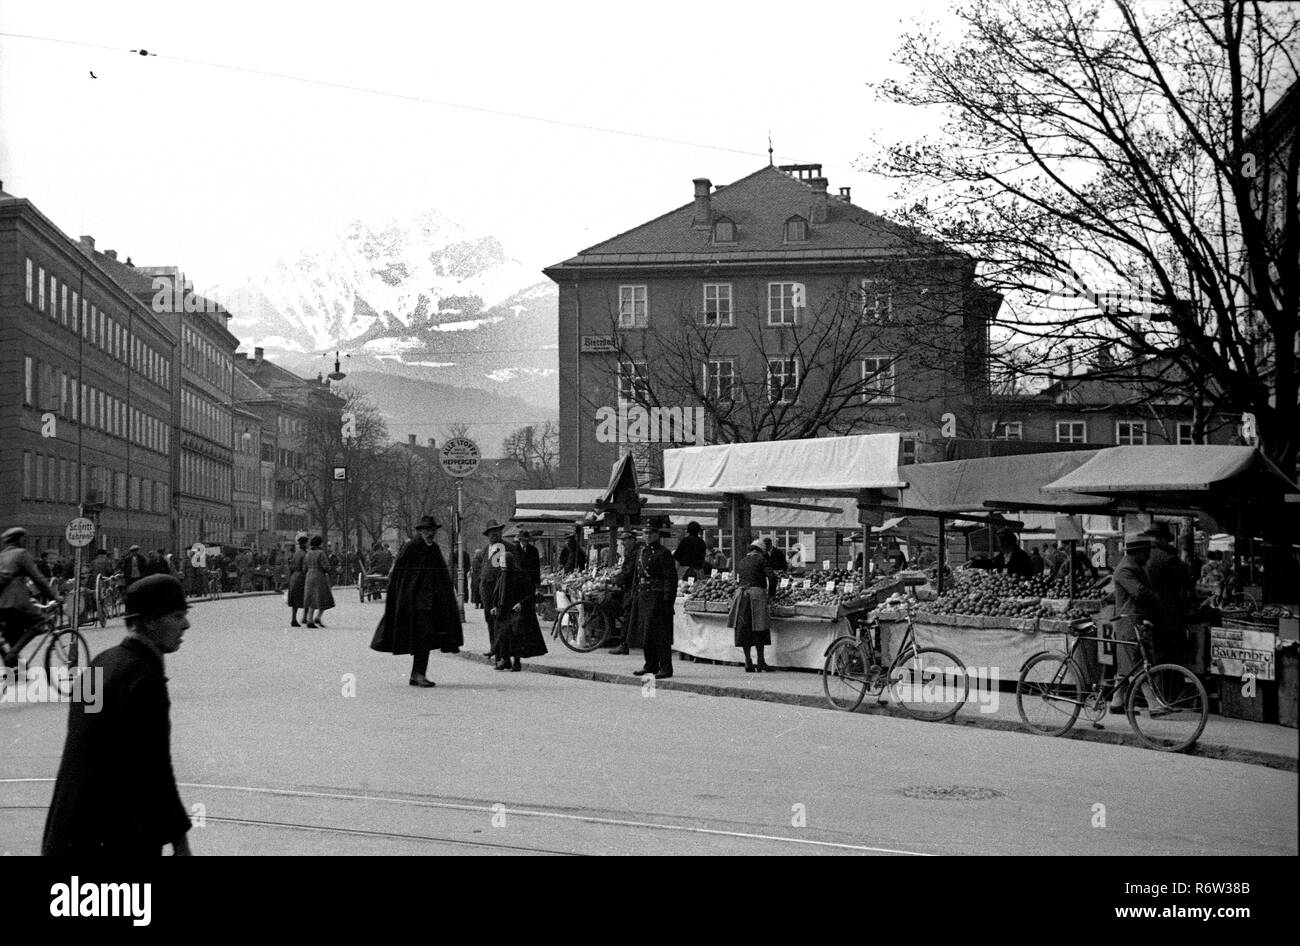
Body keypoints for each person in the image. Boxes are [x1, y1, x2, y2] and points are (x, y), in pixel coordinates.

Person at [42, 574, 194, 856]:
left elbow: (79, 746)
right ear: (150, 621)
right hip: (113, 837)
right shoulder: (144, 679)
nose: (186, 624)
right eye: (177, 616)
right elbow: (155, 768)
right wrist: (180, 842)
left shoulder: (100, 663)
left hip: (67, 830)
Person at [370, 516, 463, 687]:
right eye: (427, 530)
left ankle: (417, 674)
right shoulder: (412, 547)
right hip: (414, 601)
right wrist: (403, 596)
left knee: (424, 637)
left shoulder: (433, 548)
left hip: (430, 602)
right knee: (422, 636)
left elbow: (441, 573)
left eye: (433, 530)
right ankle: (418, 674)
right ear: (420, 531)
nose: (430, 533)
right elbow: (399, 573)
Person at [1108, 536, 1166, 714]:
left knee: (1127, 663)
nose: (1148, 556)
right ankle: (1153, 704)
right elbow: (1139, 593)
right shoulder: (1126, 569)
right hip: (1129, 622)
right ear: (1137, 553)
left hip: (1136, 620)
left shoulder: (1135, 567)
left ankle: (1117, 702)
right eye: (1146, 553)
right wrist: (1156, 598)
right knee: (1139, 662)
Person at [0, 527, 57, 669]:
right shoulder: (21, 554)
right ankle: (13, 655)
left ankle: (16, 674)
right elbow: (38, 579)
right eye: (23, 538)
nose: (25, 541)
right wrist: (54, 597)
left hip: (1, 604)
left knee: (12, 635)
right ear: (18, 540)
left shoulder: (1, 556)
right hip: (17, 601)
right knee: (39, 623)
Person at [628, 519, 678, 680]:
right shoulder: (642, 552)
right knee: (646, 634)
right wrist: (634, 595)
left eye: (651, 533)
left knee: (660, 635)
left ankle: (665, 667)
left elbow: (670, 578)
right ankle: (650, 665)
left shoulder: (663, 553)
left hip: (657, 598)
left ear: (657, 534)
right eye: (645, 533)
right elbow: (637, 576)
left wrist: (668, 600)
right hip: (643, 596)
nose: (647, 536)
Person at [491, 537, 548, 672]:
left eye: (504, 562)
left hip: (516, 611)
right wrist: (494, 605)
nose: (502, 564)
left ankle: (516, 662)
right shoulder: (502, 575)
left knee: (515, 637)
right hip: (503, 610)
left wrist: (521, 604)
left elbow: (529, 594)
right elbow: (497, 593)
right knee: (502, 636)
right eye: (501, 562)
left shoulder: (520, 575)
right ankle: (505, 661)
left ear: (510, 562)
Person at [1142, 522, 1193, 665]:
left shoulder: (1142, 555)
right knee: (1172, 653)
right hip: (1168, 611)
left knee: (1155, 653)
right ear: (1163, 539)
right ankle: (1171, 684)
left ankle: (1159, 683)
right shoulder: (1167, 557)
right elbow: (1186, 580)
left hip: (1147, 611)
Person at [729, 539, 775, 672]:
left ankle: (748, 661)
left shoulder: (742, 561)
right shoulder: (762, 559)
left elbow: (738, 580)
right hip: (757, 596)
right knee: (760, 628)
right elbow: (772, 577)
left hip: (742, 596)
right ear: (761, 550)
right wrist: (771, 594)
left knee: (745, 629)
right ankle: (761, 661)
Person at [607, 529, 640, 655]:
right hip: (628, 587)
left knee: (627, 615)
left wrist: (617, 580)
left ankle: (623, 644)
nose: (623, 543)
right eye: (622, 540)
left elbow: (629, 571)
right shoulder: (630, 552)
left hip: (632, 588)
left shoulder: (635, 553)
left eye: (625, 540)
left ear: (632, 540)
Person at [479, 521, 507, 657]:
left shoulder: (506, 547)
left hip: (500, 591)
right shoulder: (485, 550)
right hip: (486, 592)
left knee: (500, 622)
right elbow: (482, 569)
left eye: (496, 531)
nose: (494, 534)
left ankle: (501, 653)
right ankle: (494, 650)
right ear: (487, 535)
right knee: (490, 621)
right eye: (491, 532)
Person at [302, 536, 336, 628]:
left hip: (309, 576)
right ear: (320, 544)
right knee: (323, 597)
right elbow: (326, 566)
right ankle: (318, 616)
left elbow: (304, 568)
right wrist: (330, 571)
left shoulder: (308, 553)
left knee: (311, 598)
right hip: (319, 576)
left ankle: (309, 619)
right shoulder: (321, 553)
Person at [286, 533, 309, 627]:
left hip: (294, 577)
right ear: (304, 544)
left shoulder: (295, 554)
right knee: (307, 596)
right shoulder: (305, 554)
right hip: (302, 577)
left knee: (294, 598)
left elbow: (290, 566)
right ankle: (304, 617)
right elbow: (305, 568)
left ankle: (293, 618)